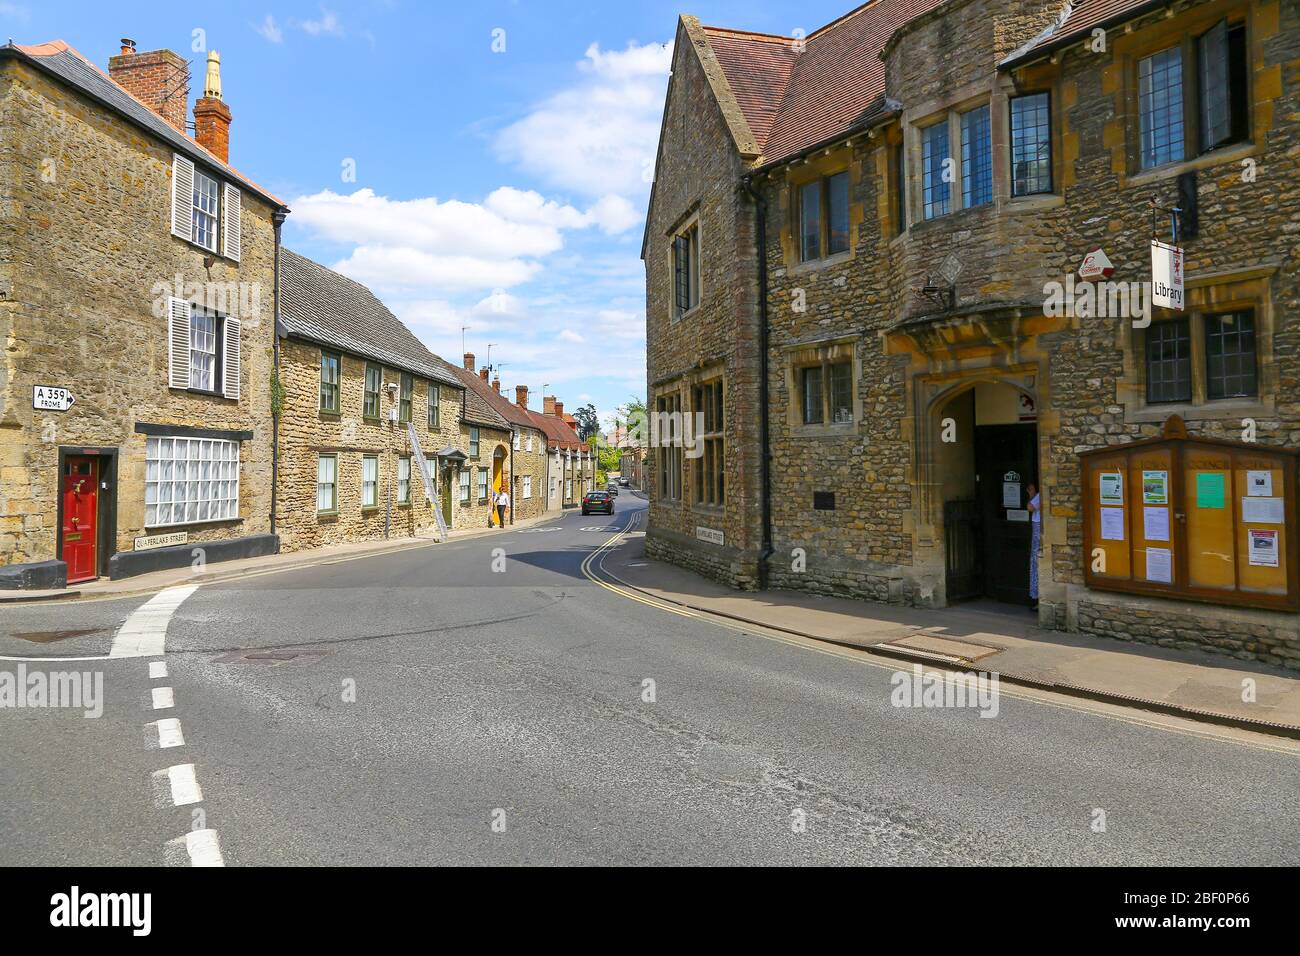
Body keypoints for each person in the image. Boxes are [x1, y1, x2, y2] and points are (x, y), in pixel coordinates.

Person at [1027, 482, 1041, 610]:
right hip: (1037, 530)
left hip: (1038, 532)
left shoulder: (1040, 495)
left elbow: (1030, 507)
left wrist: (1031, 494)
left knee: (1036, 561)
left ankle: (1038, 599)